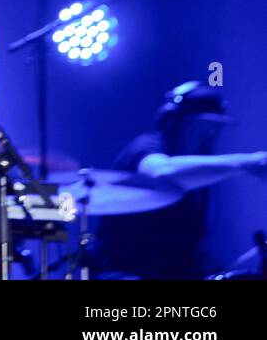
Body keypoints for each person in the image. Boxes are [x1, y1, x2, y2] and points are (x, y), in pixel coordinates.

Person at [95, 80, 267, 279]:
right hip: (125, 274)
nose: (212, 134)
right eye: (206, 125)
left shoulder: (196, 177)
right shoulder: (146, 146)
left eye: (217, 127)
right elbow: (162, 171)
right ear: (174, 122)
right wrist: (251, 162)